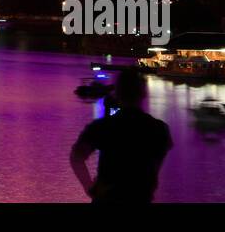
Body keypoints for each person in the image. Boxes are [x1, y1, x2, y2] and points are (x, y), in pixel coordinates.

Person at [70, 68, 172, 202]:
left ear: (117, 93)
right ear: (143, 93)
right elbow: (155, 166)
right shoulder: (159, 129)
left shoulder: (102, 127)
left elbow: (76, 157)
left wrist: (89, 187)